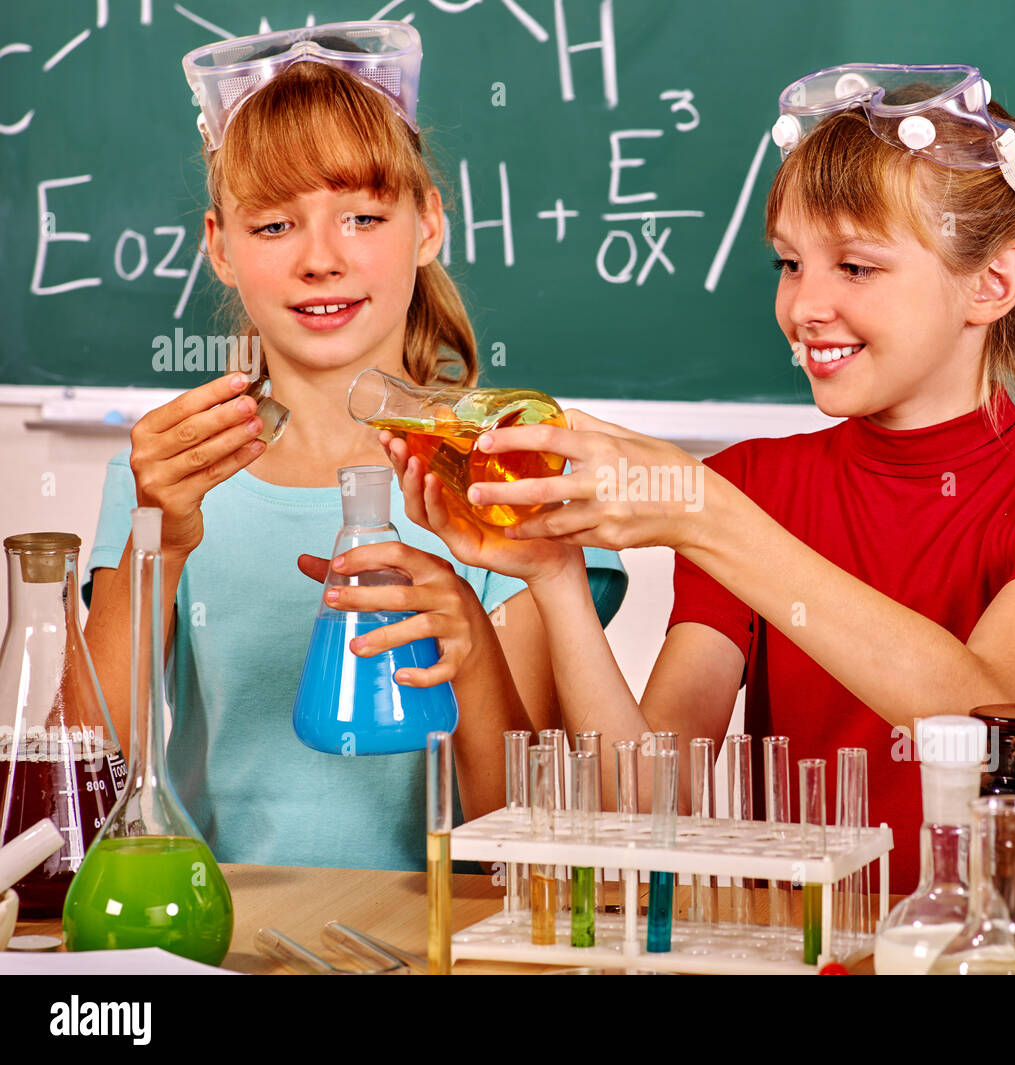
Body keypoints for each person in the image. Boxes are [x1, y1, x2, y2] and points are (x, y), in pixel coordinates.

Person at [381, 63, 1015, 890]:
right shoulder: (754, 483)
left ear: (993, 282)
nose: (804, 306)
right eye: (790, 264)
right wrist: (558, 577)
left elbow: (981, 714)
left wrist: (709, 515)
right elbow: (645, 810)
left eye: (855, 267)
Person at [81, 23, 625, 872]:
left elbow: (528, 840)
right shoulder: (161, 478)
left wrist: (472, 645)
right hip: (209, 939)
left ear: (430, 225)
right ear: (219, 247)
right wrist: (163, 538)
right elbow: (78, 779)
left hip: (435, 944)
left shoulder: (501, 468)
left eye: (364, 216)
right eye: (273, 228)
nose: (321, 260)